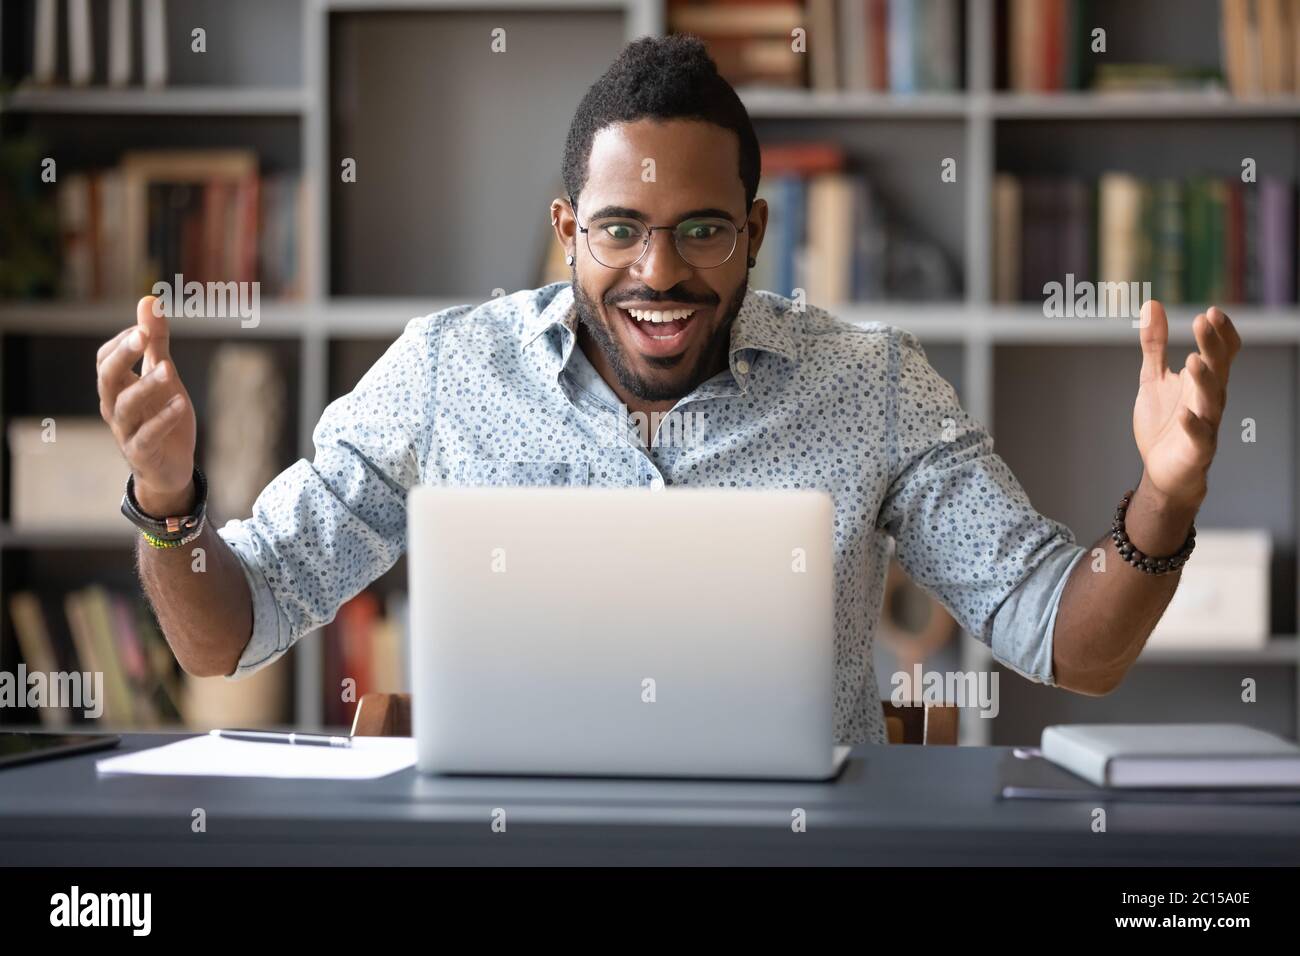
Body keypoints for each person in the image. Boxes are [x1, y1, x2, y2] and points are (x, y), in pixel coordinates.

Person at [95, 35, 1240, 745]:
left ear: (752, 230)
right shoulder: (446, 372)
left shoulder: (871, 383)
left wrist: (1162, 501)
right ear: (566, 231)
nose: (657, 272)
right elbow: (227, 632)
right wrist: (167, 495)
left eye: (699, 230)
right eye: (619, 231)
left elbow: (1069, 645)